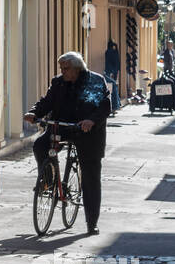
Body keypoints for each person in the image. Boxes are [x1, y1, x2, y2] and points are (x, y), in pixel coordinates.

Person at [25, 51, 112, 237]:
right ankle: (48, 180)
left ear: (77, 69)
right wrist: (34, 113)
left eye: (66, 69)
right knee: (40, 145)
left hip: (87, 131)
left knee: (90, 175)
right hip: (62, 127)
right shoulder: (58, 82)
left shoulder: (95, 82)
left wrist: (91, 120)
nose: (63, 72)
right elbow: (47, 102)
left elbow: (105, 106)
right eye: (61, 68)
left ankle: (91, 222)